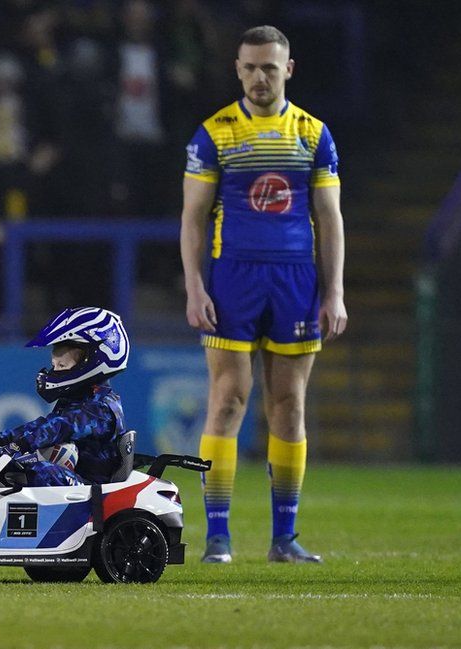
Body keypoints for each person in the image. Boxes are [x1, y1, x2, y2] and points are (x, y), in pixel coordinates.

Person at [180, 26, 347, 563]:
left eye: (269, 68)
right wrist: (194, 285)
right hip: (233, 278)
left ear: (288, 70)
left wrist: (335, 290)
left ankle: (284, 538)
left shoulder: (314, 134)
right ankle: (219, 539)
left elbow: (329, 217)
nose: (259, 78)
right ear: (237, 68)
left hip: (296, 279)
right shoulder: (214, 134)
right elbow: (191, 219)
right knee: (227, 401)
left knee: (289, 406)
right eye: (250, 68)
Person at [0, 306, 130, 487]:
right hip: (78, 484)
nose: (55, 371)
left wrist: (18, 447)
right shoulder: (79, 398)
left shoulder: (101, 407)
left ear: (93, 361)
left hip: (92, 489)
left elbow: (58, 428)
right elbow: (42, 424)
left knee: (40, 470)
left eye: (62, 365)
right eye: (54, 364)